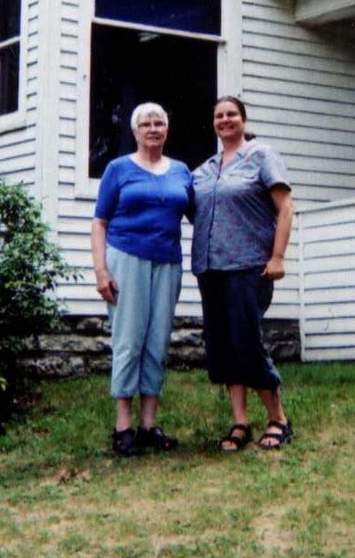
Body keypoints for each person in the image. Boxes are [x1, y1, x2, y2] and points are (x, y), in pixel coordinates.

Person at [191, 95, 296, 451]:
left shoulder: (262, 155)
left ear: (243, 119)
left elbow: (285, 207)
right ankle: (239, 422)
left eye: (231, 114)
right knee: (221, 346)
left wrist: (278, 256)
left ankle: (278, 418)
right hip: (210, 268)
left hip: (249, 266)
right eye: (218, 115)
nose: (224, 120)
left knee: (246, 342)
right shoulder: (206, 168)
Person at [90, 102, 193, 457]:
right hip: (126, 259)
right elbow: (99, 222)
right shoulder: (118, 169)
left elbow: (201, 213)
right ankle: (123, 429)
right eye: (146, 124)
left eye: (159, 123)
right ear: (135, 132)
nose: (153, 129)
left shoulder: (181, 172)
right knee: (129, 340)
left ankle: (149, 426)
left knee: (157, 342)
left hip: (167, 263)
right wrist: (101, 270)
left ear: (167, 129)